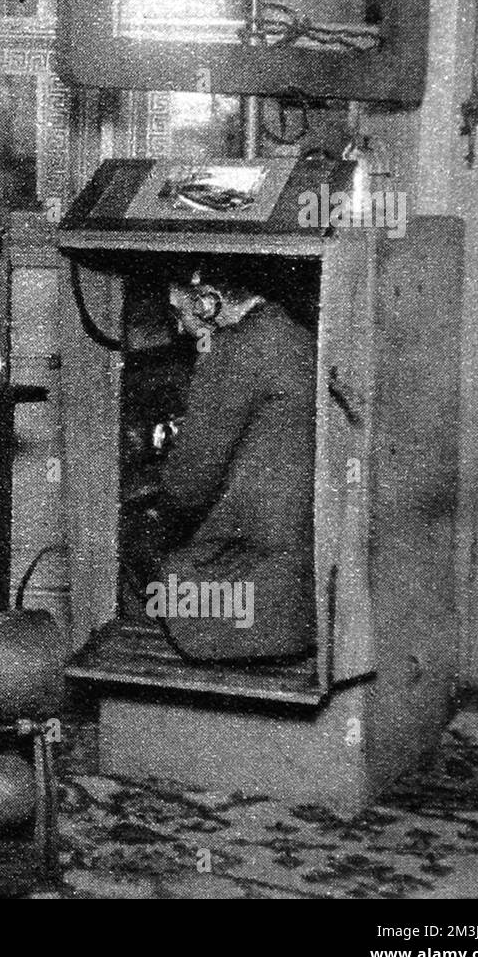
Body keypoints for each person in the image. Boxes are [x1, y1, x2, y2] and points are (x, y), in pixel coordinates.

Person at [125, 262, 316, 663]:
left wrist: (153, 481)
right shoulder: (295, 334)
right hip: (303, 587)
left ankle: (153, 674)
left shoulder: (231, 349)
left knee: (134, 537)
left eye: (179, 312)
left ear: (207, 301)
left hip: (255, 595)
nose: (179, 329)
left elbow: (186, 489)